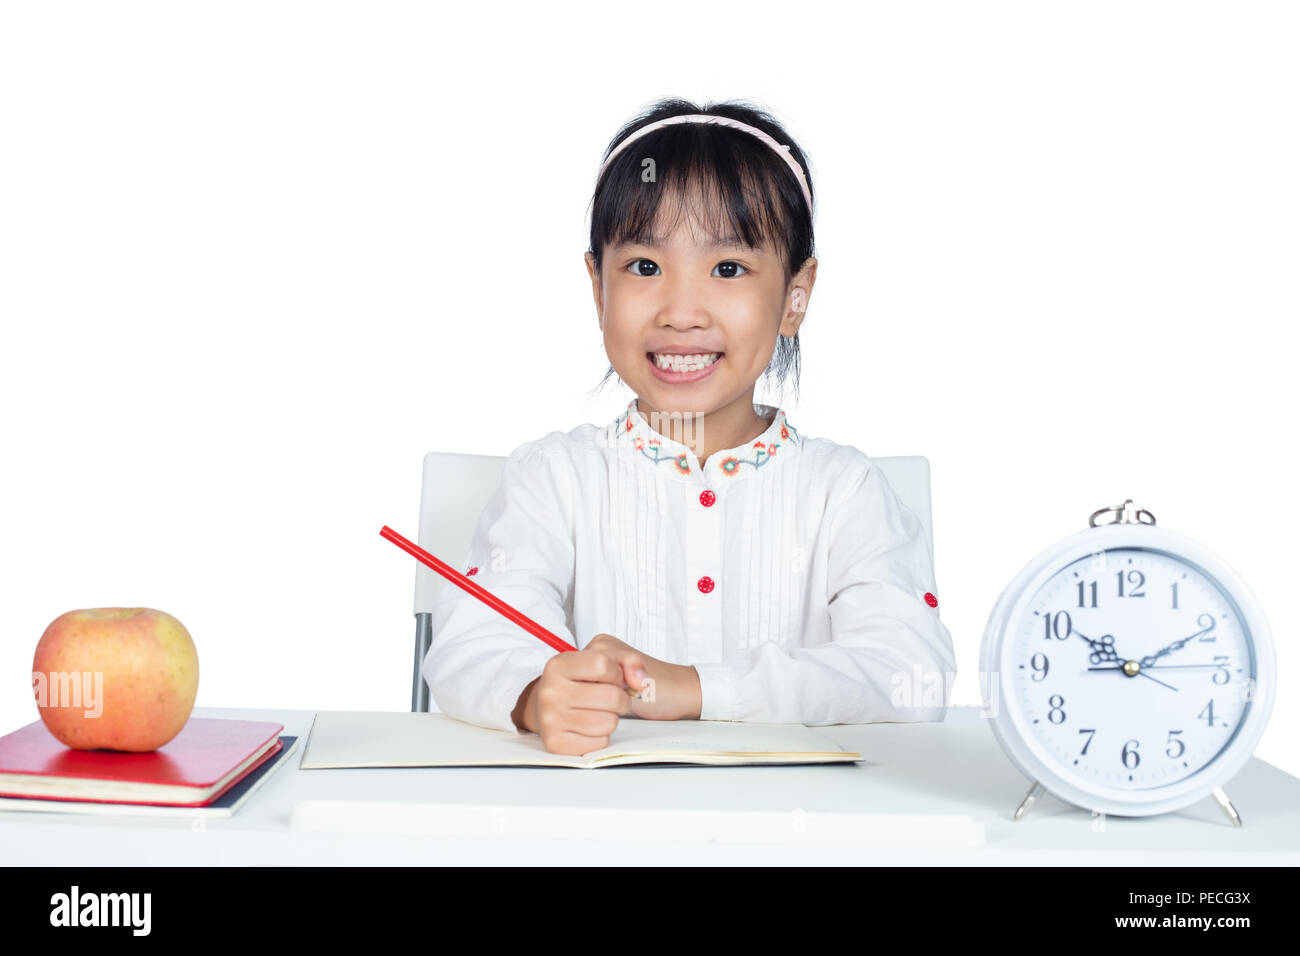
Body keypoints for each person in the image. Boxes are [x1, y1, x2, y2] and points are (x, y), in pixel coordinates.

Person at [425, 97, 956, 755]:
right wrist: (537, 695)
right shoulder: (554, 478)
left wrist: (695, 689)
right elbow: (471, 645)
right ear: (598, 290)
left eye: (728, 269)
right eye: (644, 268)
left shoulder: (844, 490)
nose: (681, 312)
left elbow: (908, 674)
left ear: (796, 296)